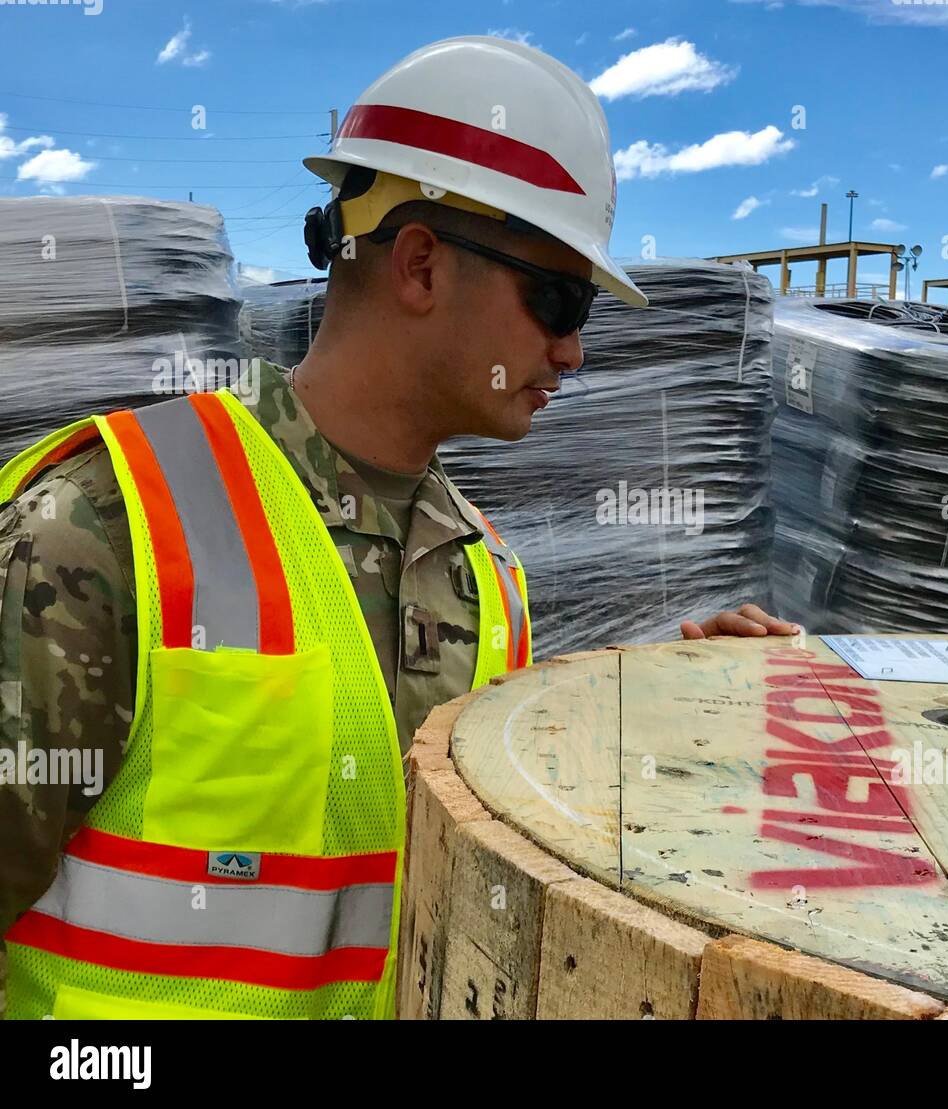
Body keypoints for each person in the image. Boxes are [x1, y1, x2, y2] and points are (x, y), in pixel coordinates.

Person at [0, 35, 795, 1020]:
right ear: (420, 263)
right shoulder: (106, 528)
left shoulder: (485, 574)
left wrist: (674, 712)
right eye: (557, 297)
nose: (575, 349)